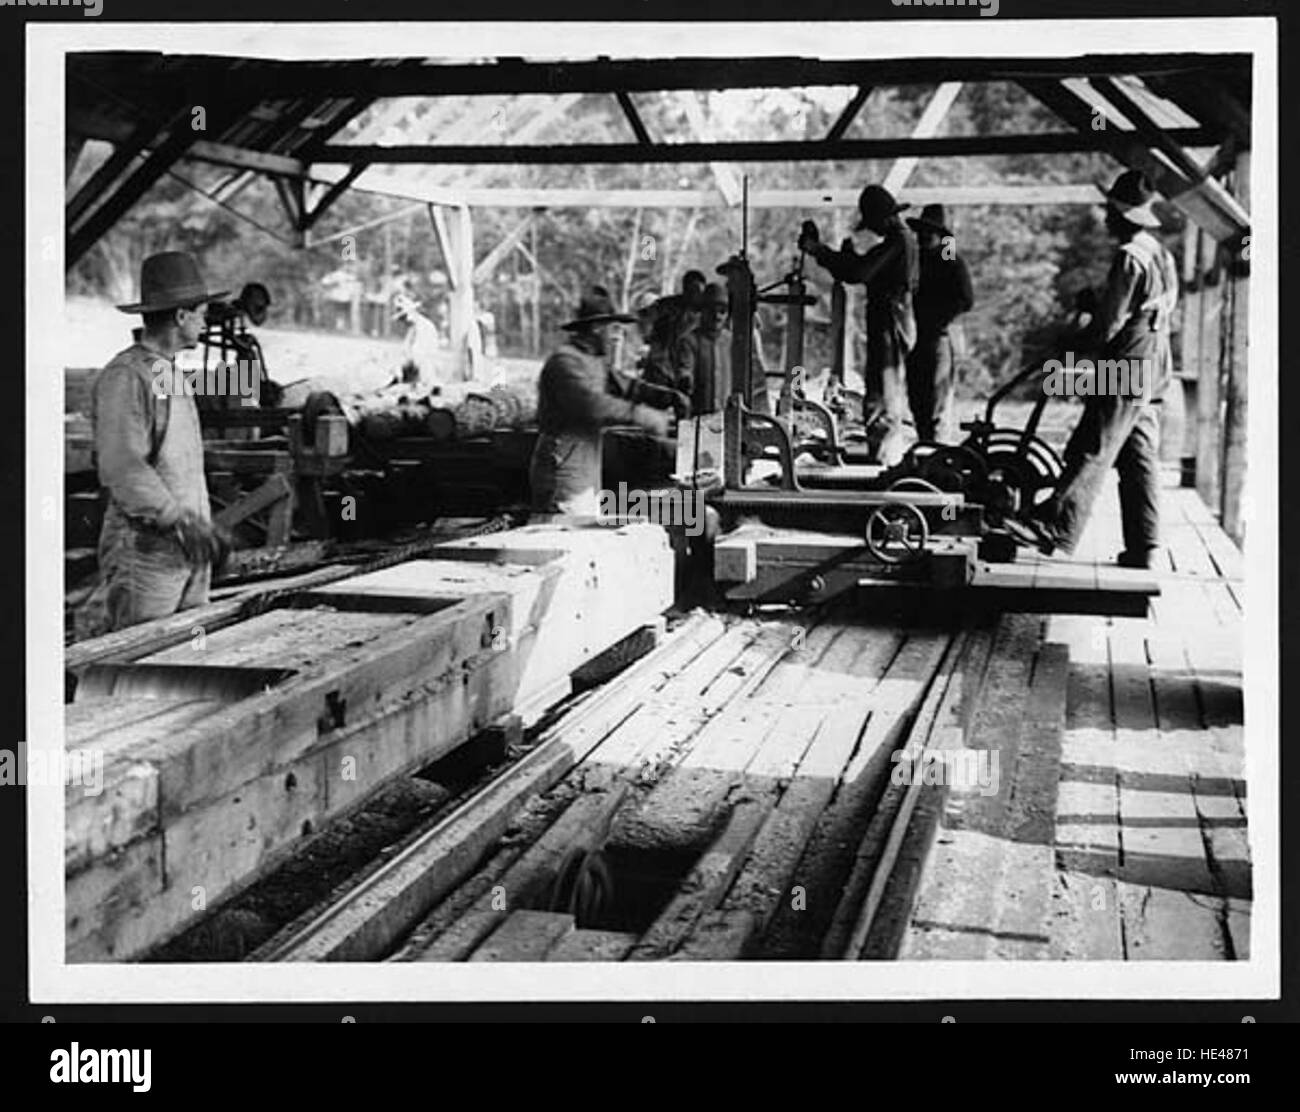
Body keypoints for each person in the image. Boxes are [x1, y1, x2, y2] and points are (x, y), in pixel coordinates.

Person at [1004, 171, 1180, 569]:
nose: (1105, 218)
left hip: (1126, 363)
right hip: (1154, 364)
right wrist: (1099, 300)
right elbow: (1145, 307)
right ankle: (1145, 546)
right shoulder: (1161, 253)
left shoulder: (1129, 256)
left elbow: (1109, 326)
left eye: (1109, 211)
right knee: (1137, 456)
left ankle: (1055, 529)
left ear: (1123, 215)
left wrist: (1069, 346)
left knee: (1092, 444)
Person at [76, 252, 229, 639]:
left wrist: (197, 526)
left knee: (182, 661)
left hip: (187, 549)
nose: (205, 321)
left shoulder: (167, 372)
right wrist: (178, 520)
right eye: (201, 313)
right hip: (147, 552)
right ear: (181, 317)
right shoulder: (127, 377)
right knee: (136, 665)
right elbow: (122, 465)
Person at [799, 184, 919, 465]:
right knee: (881, 393)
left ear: (885, 218)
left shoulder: (898, 241)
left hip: (891, 322)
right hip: (892, 319)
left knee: (882, 398)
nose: (872, 230)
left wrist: (820, 251)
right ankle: (885, 457)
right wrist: (844, 257)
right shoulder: (900, 242)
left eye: (874, 223)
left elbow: (859, 273)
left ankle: (885, 461)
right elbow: (862, 269)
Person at [529, 286, 673, 517]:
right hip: (563, 463)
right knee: (563, 529)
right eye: (613, 329)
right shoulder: (565, 362)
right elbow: (592, 405)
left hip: (584, 461)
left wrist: (668, 395)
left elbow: (626, 384)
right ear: (596, 328)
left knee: (583, 525)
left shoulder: (593, 360)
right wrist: (641, 415)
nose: (617, 336)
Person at [905, 204, 974, 443]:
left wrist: (938, 319)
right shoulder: (915, 260)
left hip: (938, 338)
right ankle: (925, 444)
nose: (923, 237)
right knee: (917, 399)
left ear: (941, 236)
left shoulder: (951, 261)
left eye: (930, 233)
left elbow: (966, 300)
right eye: (921, 232)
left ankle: (935, 451)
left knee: (936, 401)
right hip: (915, 338)